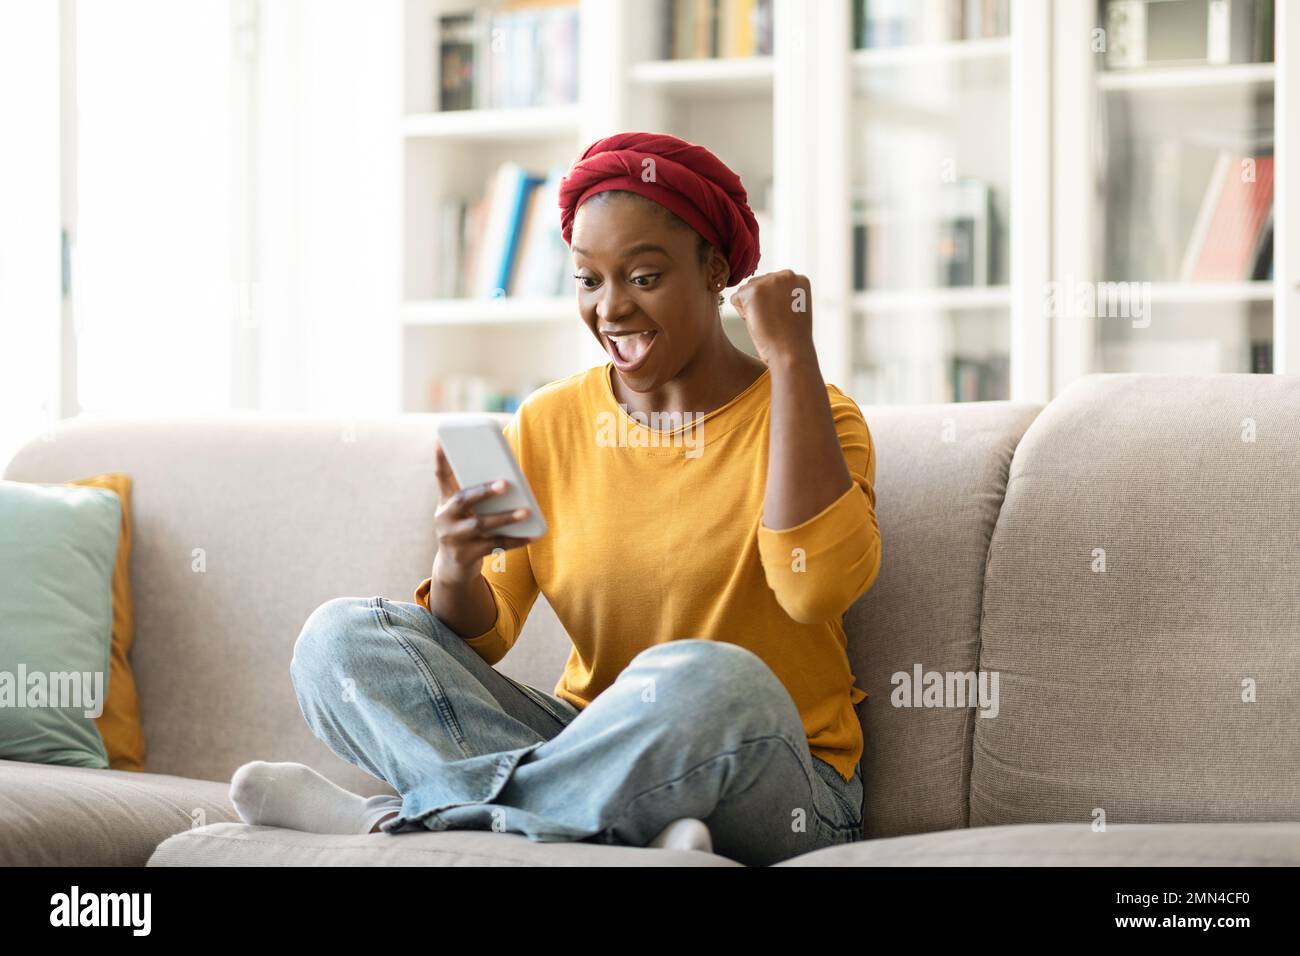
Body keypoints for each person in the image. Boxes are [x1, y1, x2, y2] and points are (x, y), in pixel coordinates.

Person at [229, 131, 882, 867]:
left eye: (643, 276)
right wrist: (457, 565)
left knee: (710, 676)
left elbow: (815, 587)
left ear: (716, 270)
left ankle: (395, 816)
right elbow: (482, 638)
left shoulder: (814, 414)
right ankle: (616, 828)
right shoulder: (549, 421)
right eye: (588, 280)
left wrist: (792, 354)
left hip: (783, 777)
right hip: (586, 738)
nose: (612, 309)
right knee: (337, 639)